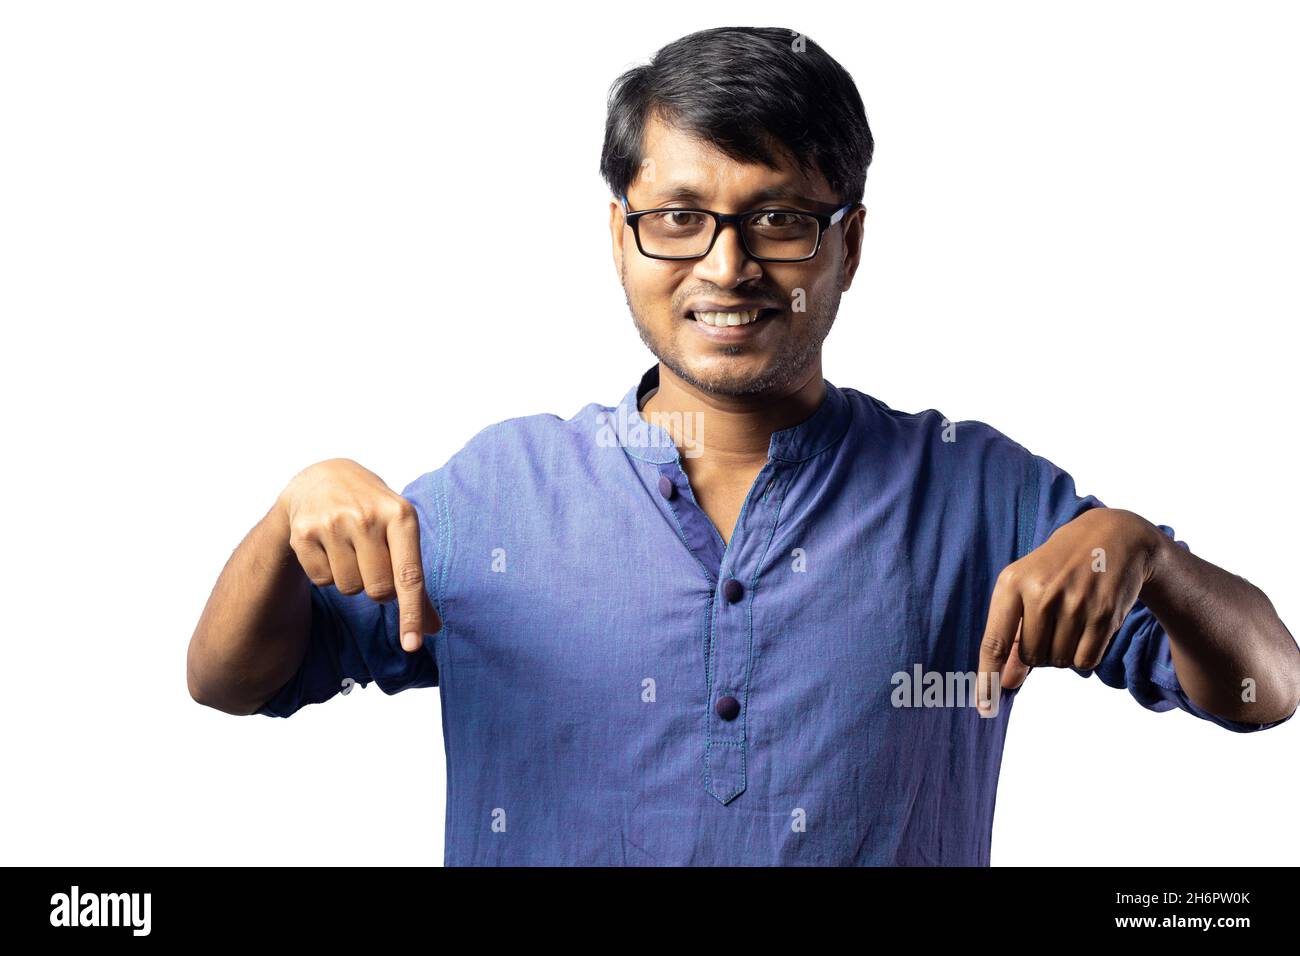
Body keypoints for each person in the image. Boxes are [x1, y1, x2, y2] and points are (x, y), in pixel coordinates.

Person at [187, 26, 1299, 866]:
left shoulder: (973, 494)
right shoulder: (495, 493)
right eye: (677, 217)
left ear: (848, 242)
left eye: (778, 219)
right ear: (616, 234)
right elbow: (230, 680)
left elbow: (1265, 686)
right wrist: (288, 522)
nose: (724, 267)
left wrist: (1147, 551)